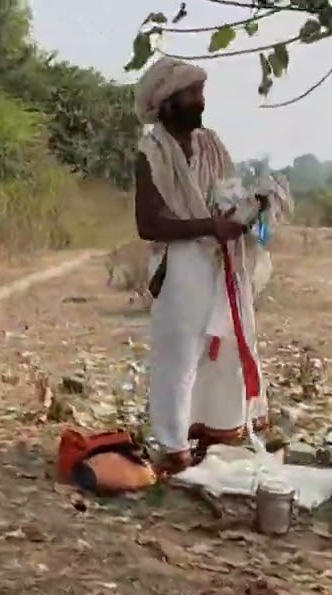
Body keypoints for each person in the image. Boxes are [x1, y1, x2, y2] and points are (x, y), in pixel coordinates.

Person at [132, 57, 269, 476]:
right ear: (167, 102)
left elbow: (227, 193)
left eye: (200, 92)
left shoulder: (211, 145)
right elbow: (149, 224)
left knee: (223, 349)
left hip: (222, 260)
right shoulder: (152, 152)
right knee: (179, 355)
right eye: (190, 93)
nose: (199, 101)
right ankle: (174, 447)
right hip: (182, 263)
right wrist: (211, 226)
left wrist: (249, 210)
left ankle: (216, 434)